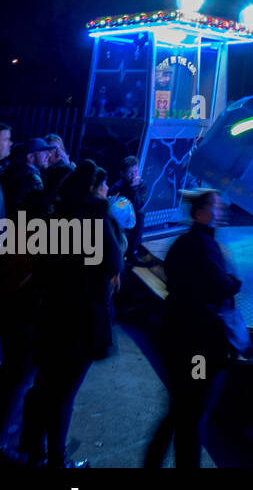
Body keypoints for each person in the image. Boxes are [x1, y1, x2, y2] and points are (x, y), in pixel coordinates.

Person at [23, 161, 123, 468]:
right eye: (104, 185)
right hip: (82, 318)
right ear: (93, 188)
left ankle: (34, 452)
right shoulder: (96, 218)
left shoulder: (53, 217)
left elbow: (38, 268)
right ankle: (57, 459)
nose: (108, 191)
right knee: (64, 392)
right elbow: (115, 264)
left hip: (51, 314)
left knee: (45, 386)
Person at [145, 190, 244, 469]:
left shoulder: (184, 243)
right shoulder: (204, 245)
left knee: (181, 408)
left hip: (178, 335)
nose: (220, 211)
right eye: (215, 207)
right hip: (197, 347)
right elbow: (220, 286)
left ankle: (153, 462)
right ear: (200, 213)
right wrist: (234, 281)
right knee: (191, 410)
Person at [0, 138, 56, 465]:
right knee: (18, 375)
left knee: (13, 372)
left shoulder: (10, 176)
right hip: (23, 314)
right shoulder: (33, 243)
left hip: (13, 308)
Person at [111, 156, 149, 263]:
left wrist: (133, 188)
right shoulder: (119, 184)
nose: (134, 175)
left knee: (140, 215)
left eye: (136, 171)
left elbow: (139, 205)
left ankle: (133, 252)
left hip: (132, 215)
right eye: (130, 173)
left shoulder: (140, 185)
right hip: (119, 214)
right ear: (122, 173)